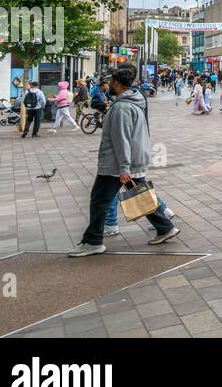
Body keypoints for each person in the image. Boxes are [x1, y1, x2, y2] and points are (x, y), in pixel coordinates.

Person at [69, 64, 180, 256]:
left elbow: (121, 139)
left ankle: (93, 241)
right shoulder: (135, 101)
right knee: (140, 195)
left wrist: (124, 168)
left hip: (116, 164)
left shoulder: (122, 107)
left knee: (99, 200)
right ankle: (165, 227)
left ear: (117, 83)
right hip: (131, 160)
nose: (108, 84)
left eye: (111, 81)